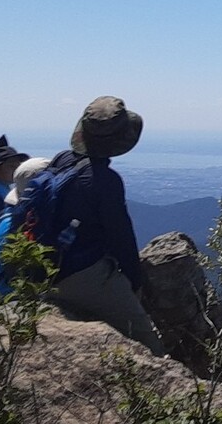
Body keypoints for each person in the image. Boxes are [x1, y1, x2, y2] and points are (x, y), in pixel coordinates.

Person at [45, 96, 164, 354]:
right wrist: (134, 284)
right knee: (148, 340)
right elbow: (121, 238)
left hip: (39, 270)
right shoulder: (105, 181)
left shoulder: (61, 161)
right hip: (81, 274)